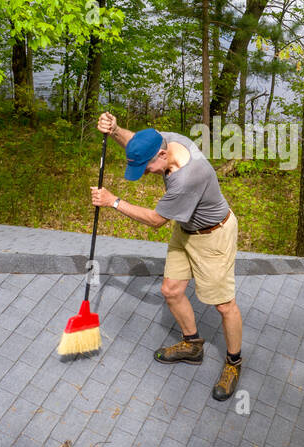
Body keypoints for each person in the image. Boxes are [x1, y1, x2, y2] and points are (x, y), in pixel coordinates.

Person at [89, 112, 244, 402]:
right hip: (187, 229)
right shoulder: (166, 141)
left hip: (213, 236)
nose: (146, 173)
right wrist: (114, 130)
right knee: (171, 290)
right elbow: (136, 141)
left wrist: (114, 201)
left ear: (161, 155)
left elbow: (155, 220)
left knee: (224, 306)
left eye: (147, 168)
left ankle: (234, 363)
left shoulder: (188, 177)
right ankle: (192, 345)